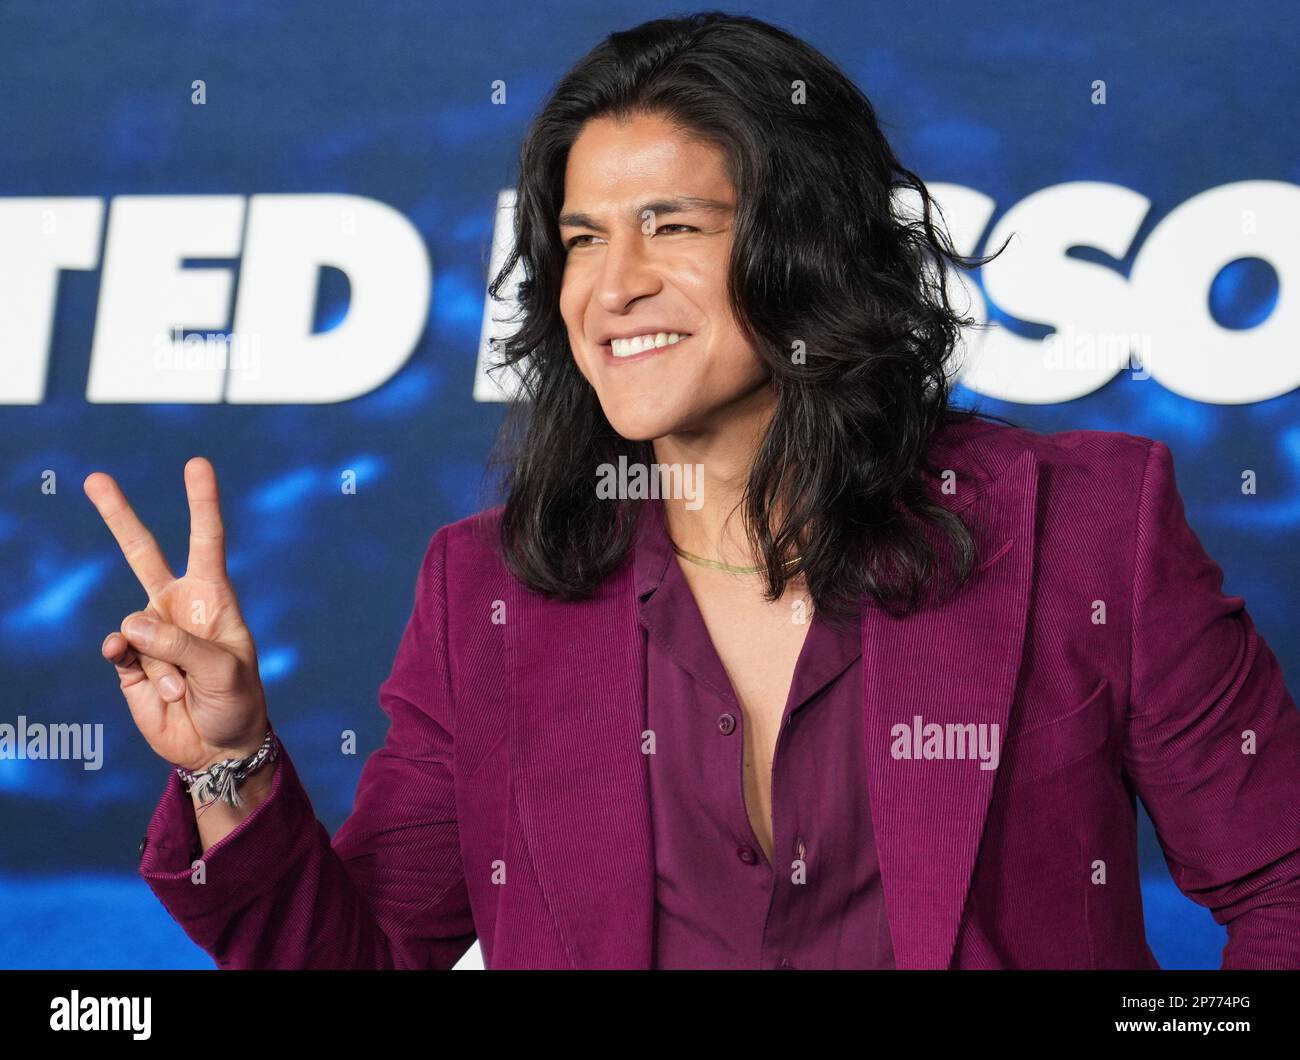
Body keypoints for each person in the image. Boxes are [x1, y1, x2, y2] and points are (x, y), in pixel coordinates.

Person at [85, 12, 1300, 970]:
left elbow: (1283, 888)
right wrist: (231, 762)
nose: (612, 285)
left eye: (670, 226)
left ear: (809, 244)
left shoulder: (1088, 528)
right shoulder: (486, 591)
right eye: (582, 237)